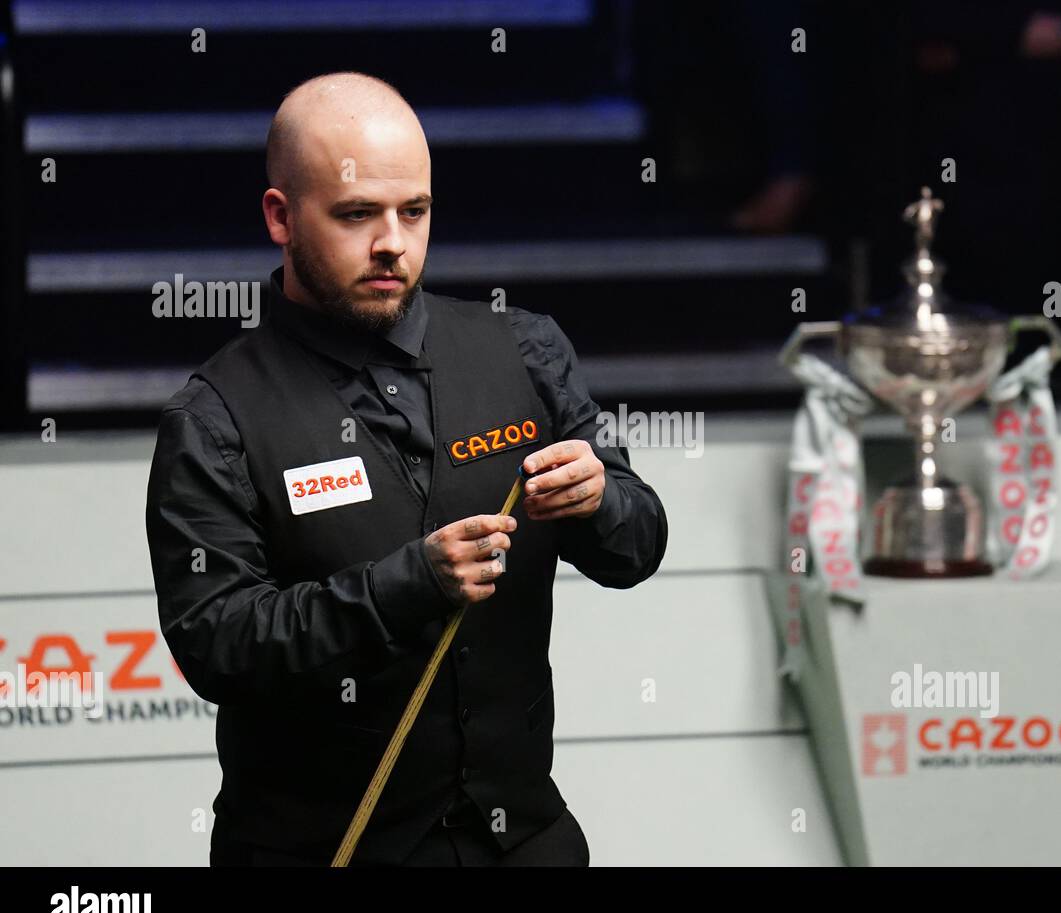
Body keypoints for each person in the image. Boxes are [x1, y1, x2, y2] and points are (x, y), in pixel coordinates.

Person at [143, 72, 668, 866]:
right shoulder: (216, 416)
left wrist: (601, 503)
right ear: (280, 217)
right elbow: (216, 646)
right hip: (325, 850)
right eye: (357, 215)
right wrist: (407, 584)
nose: (393, 241)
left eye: (413, 212)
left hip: (519, 836)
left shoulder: (523, 350)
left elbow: (637, 550)